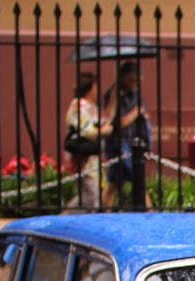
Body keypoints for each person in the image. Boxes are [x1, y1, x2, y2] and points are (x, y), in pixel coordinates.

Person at [102, 60, 151, 207]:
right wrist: (135, 113)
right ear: (124, 77)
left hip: (133, 142)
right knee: (137, 178)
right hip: (119, 144)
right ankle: (150, 211)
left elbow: (144, 113)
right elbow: (117, 122)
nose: (135, 83)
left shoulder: (135, 94)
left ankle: (104, 211)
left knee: (114, 183)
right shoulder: (114, 95)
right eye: (132, 79)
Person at [64, 73, 110, 212]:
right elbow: (86, 130)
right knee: (91, 193)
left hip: (94, 156)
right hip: (83, 155)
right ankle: (67, 217)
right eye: (95, 86)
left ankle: (68, 217)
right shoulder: (78, 105)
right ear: (89, 88)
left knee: (91, 193)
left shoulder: (92, 106)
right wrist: (105, 130)